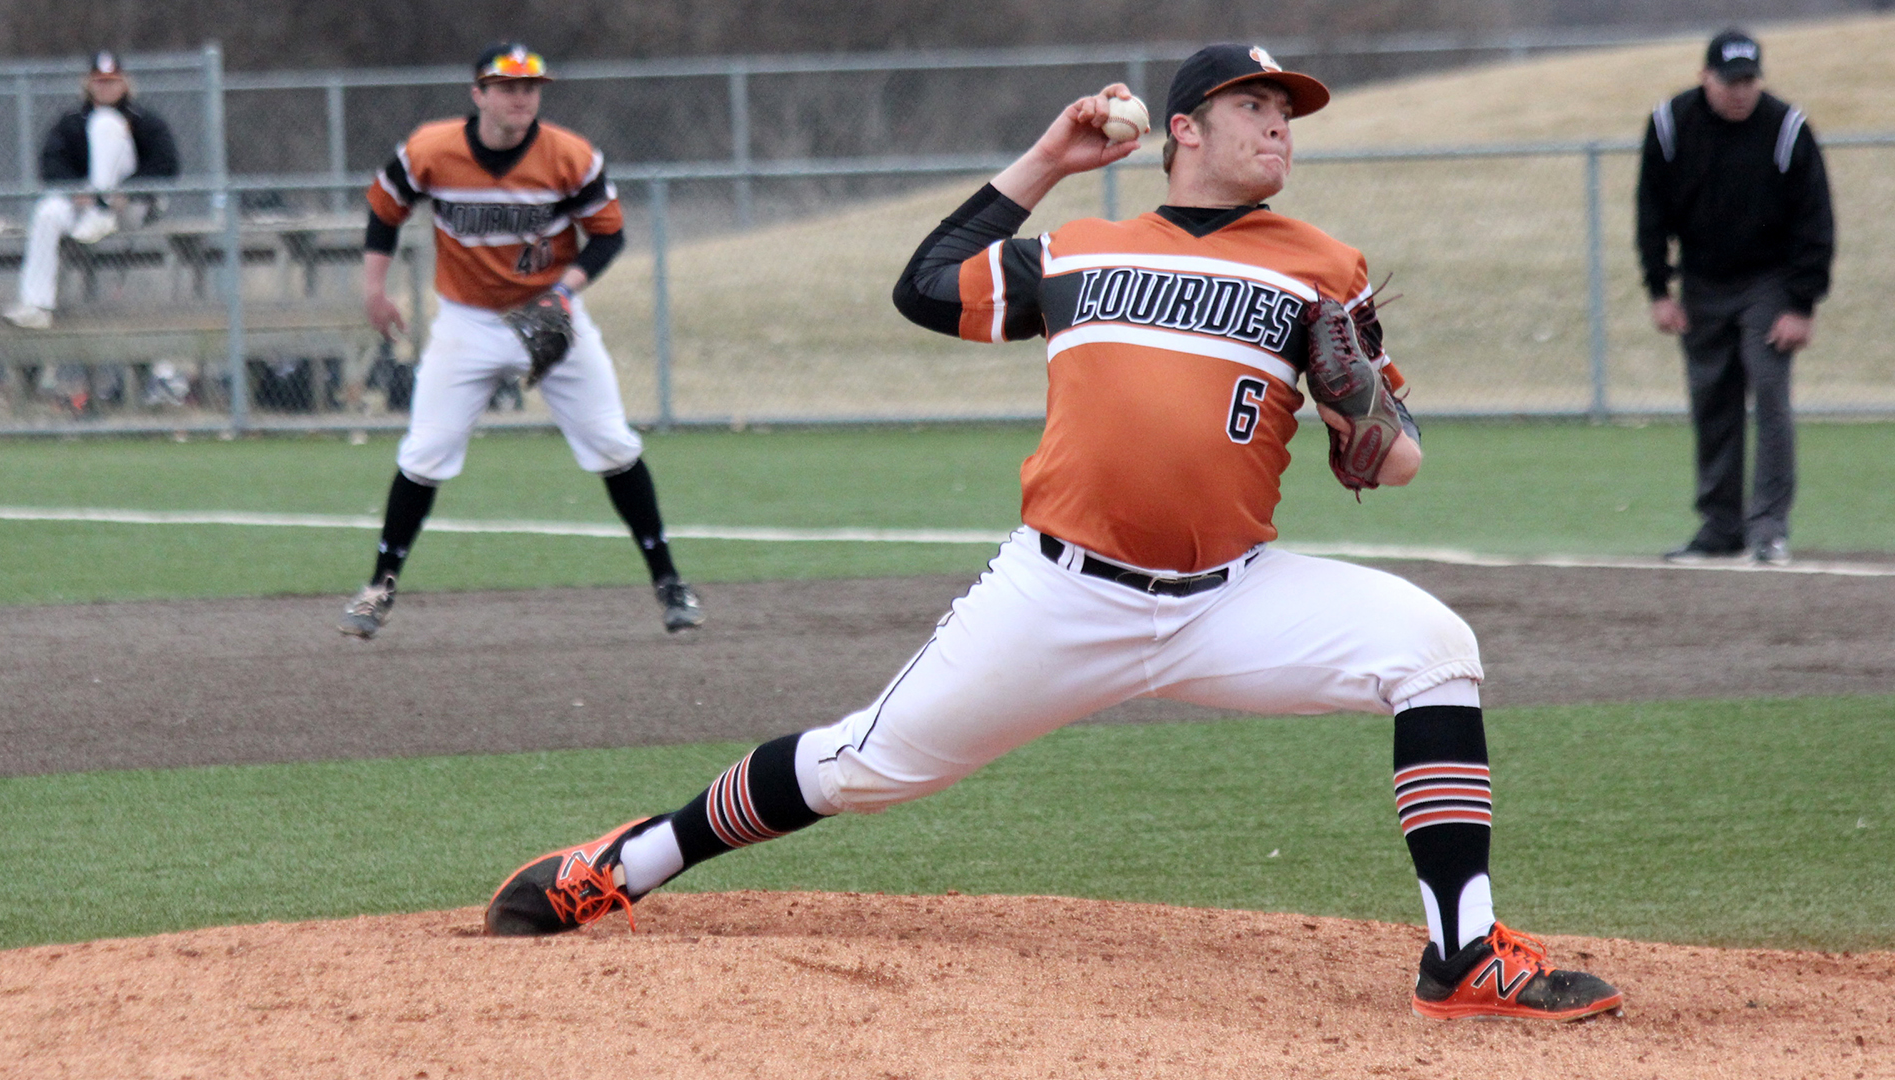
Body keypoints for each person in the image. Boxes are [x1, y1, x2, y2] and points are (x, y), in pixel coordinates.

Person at [483, 44, 1624, 1023]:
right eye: (1254, 109)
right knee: (857, 766)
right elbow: (924, 286)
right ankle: (626, 864)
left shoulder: (1321, 266)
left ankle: (1462, 957)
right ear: (1183, 130)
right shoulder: (1081, 245)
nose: (1280, 127)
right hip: (1061, 595)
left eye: (1289, 115)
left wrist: (1358, 407)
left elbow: (1396, 456)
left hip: (1232, 596)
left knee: (1433, 648)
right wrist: (1046, 160)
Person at [337, 43, 702, 638]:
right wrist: (374, 286)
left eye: (530, 88)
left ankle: (669, 582)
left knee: (612, 443)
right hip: (468, 320)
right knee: (425, 452)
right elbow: (385, 209)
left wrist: (566, 290)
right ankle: (379, 586)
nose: (521, 98)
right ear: (478, 93)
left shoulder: (569, 154)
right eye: (506, 87)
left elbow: (608, 236)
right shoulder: (431, 149)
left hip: (549, 314)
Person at [1638, 28, 1834, 567]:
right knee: (1712, 399)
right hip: (1702, 281)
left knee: (1769, 393)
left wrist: (1802, 303)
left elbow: (1815, 218)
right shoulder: (1671, 125)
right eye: (1730, 82)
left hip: (1769, 281)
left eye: (1749, 81)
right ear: (1706, 77)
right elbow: (1651, 213)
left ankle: (1768, 528)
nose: (1741, 91)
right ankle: (1721, 527)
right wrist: (1660, 289)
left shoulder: (1786, 129)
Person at [3, 51, 180, 331]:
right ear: (88, 84)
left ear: (124, 83)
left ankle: (102, 209)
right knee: (47, 212)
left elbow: (166, 163)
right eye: (99, 81)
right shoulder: (71, 121)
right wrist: (76, 192)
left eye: (111, 81)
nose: (105, 87)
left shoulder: (144, 119)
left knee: (107, 124)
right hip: (84, 205)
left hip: (130, 206)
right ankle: (36, 305)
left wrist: (128, 193)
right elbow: (50, 163)